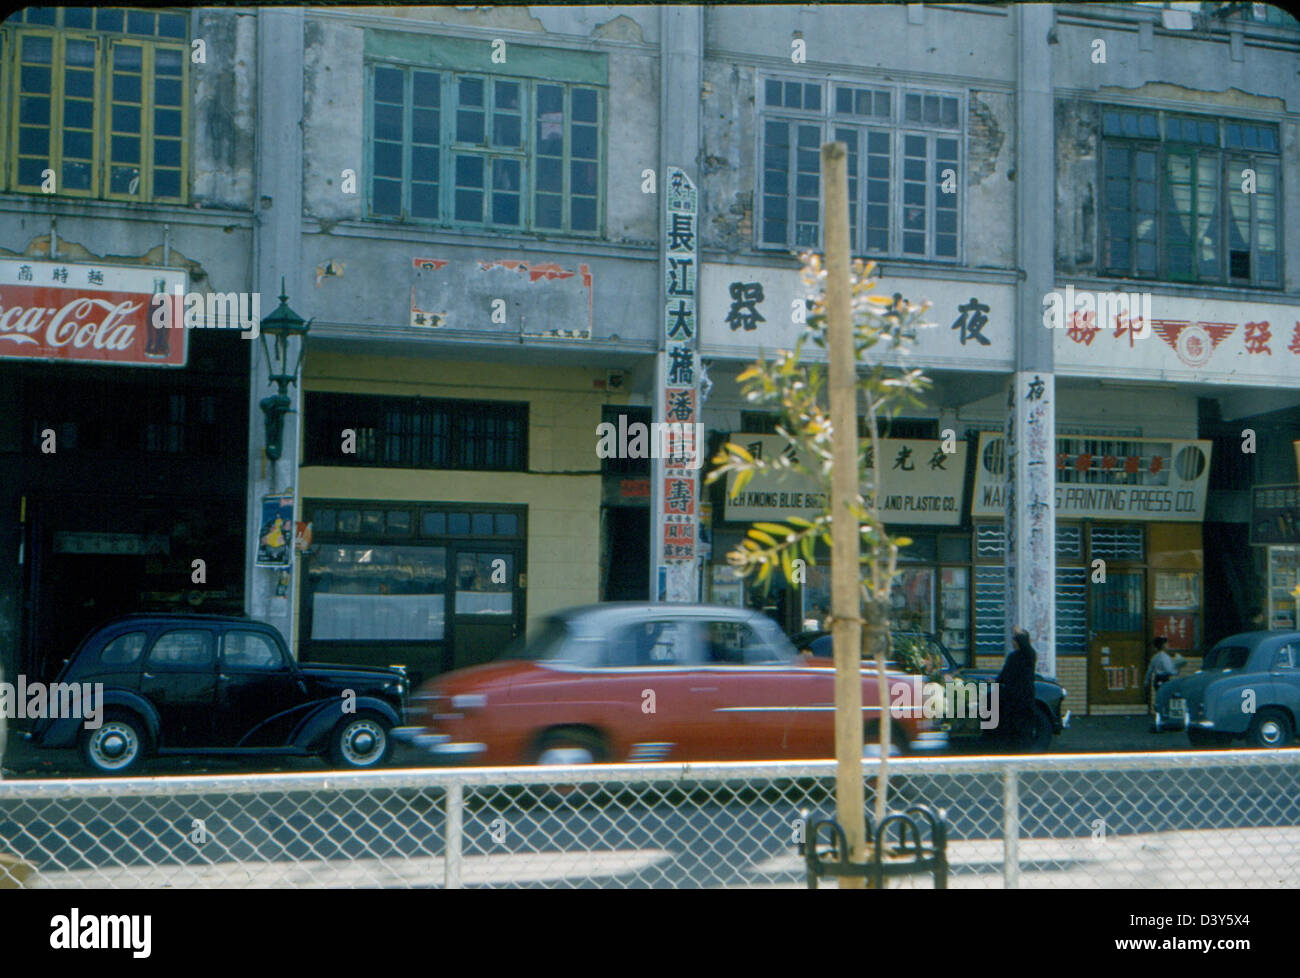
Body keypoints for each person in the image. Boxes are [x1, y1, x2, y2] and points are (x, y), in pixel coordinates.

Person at [988, 626, 1037, 750]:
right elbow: (1005, 674)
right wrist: (996, 681)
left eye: (1015, 640)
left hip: (1024, 695)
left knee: (1023, 725)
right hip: (1013, 695)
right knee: (1012, 725)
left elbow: (1025, 646)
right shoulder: (1013, 656)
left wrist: (1018, 633)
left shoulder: (1029, 654)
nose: (1013, 643)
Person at [1145, 636, 1178, 715]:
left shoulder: (1155, 657)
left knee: (1159, 696)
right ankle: (1165, 712)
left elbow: (1150, 670)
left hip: (1157, 679)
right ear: (1163, 645)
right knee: (1167, 697)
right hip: (1164, 679)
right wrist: (1175, 671)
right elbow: (1169, 670)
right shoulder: (1165, 657)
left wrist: (1147, 680)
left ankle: (1159, 711)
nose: (1168, 645)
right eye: (1166, 643)